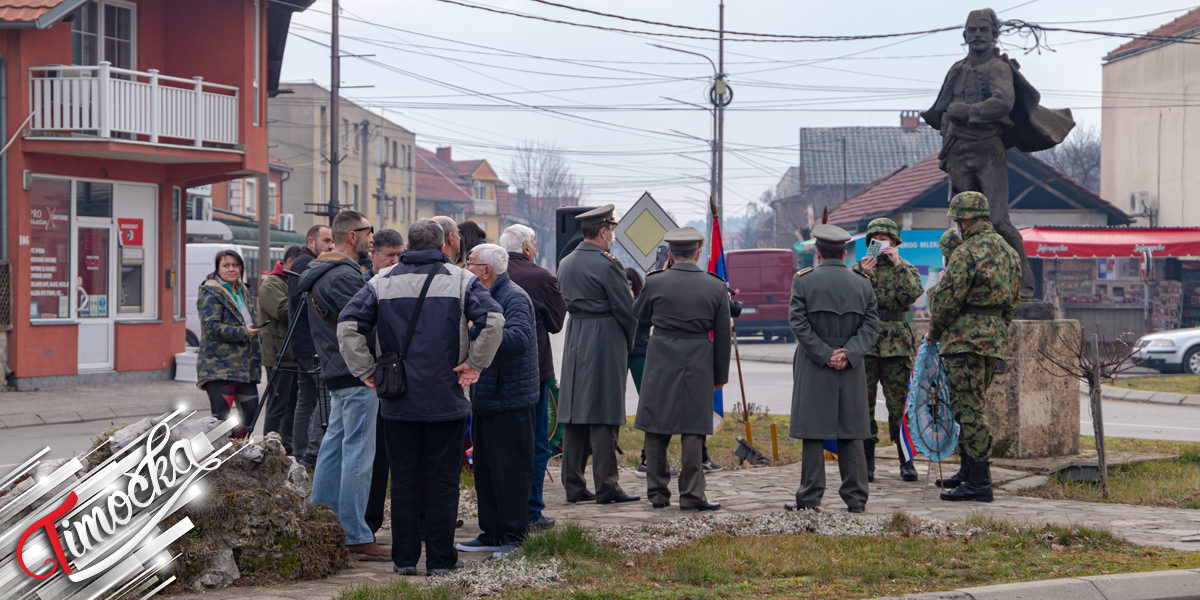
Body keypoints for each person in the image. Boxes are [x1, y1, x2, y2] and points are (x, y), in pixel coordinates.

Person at [339, 219, 504, 576]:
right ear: (444, 245)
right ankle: (442, 560)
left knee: (403, 481)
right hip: (446, 399)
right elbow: (493, 319)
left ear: (409, 246)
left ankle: (404, 559)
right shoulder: (461, 280)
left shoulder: (380, 282)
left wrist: (365, 370)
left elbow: (348, 324)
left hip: (398, 400)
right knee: (443, 481)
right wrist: (475, 363)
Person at [922, 8, 1073, 298]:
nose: (977, 35)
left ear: (994, 35)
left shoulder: (997, 68)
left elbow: (1002, 102)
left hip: (987, 149)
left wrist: (967, 111)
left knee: (998, 219)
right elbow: (942, 107)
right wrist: (946, 132)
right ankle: (966, 284)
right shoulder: (956, 69)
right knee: (963, 222)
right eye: (973, 30)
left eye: (983, 30)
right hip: (957, 150)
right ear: (964, 35)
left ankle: (1025, 284)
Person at [297, 210, 387, 560]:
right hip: (357, 372)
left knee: (334, 448)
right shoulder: (344, 276)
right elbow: (368, 325)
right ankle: (353, 532)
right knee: (358, 454)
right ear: (353, 236)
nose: (371, 240)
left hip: (337, 370)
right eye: (369, 233)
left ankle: (322, 521)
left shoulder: (321, 272)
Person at [927, 191, 1020, 502]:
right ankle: (968, 470)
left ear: (965, 219)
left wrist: (934, 330)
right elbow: (1012, 303)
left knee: (968, 410)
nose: (957, 226)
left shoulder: (966, 253)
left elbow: (947, 301)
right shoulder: (1009, 252)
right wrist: (995, 329)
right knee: (971, 405)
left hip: (964, 340)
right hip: (992, 339)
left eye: (957, 220)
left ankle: (980, 482)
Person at [633, 228, 731, 512]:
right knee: (693, 427)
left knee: (656, 425)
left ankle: (657, 494)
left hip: (661, 355)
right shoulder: (715, 286)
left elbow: (639, 313)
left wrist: (660, 276)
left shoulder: (655, 282)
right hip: (699, 358)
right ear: (698, 252)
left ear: (672, 255)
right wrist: (719, 377)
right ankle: (691, 495)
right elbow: (723, 336)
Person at [785, 224, 879, 514]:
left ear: (818, 251)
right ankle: (856, 498)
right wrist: (848, 353)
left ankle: (810, 497)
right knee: (851, 431)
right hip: (850, 366)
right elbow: (871, 325)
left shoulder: (803, 281)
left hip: (815, 365)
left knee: (813, 432)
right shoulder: (862, 283)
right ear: (843, 251)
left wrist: (825, 355)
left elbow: (798, 323)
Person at [457, 243, 538, 557]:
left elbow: (519, 339)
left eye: (471, 263)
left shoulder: (514, 297)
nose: (467, 268)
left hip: (512, 399)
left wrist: (479, 329)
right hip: (486, 397)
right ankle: (490, 533)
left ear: (486, 271)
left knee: (512, 471)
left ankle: (514, 536)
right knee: (487, 469)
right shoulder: (485, 298)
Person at [557, 205, 639, 505]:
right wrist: (627, 344)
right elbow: (627, 312)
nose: (612, 237)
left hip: (575, 337)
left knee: (574, 414)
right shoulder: (609, 265)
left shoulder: (566, 262)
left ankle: (573, 485)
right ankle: (607, 486)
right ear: (603, 231)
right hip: (604, 338)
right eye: (611, 231)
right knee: (604, 413)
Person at [499, 224, 566, 532]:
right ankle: (531, 510)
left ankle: (501, 508)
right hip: (534, 371)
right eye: (534, 245)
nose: (536, 250)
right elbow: (555, 323)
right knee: (537, 442)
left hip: (488, 372)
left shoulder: (484, 275)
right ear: (526, 248)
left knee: (498, 445)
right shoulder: (541, 277)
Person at [852, 218, 923, 483]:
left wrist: (898, 263)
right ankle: (867, 462)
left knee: (899, 407)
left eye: (887, 240)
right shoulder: (858, 270)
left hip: (896, 345)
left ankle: (906, 460)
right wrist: (864, 275)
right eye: (876, 240)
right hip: (866, 343)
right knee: (864, 406)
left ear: (895, 243)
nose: (881, 245)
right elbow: (850, 299)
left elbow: (914, 293)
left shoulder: (905, 268)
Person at [363, 228, 404, 536]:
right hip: (373, 381)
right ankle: (369, 520)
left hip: (400, 381)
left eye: (399, 255)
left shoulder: (405, 285)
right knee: (374, 459)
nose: (394, 261)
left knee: (397, 456)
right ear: (373, 256)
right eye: (388, 255)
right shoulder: (366, 287)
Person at [196, 249, 263, 439]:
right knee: (221, 420)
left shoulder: (244, 291)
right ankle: (221, 457)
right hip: (219, 367)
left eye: (235, 265)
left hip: (245, 367)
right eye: (226, 265)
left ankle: (235, 448)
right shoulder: (210, 292)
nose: (231, 269)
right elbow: (211, 327)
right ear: (217, 269)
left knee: (250, 412)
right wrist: (243, 332)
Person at [289, 223, 335, 467]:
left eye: (332, 241)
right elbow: (304, 302)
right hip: (311, 343)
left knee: (306, 398)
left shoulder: (303, 264)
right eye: (326, 241)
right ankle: (312, 453)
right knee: (323, 397)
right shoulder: (305, 265)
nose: (331, 245)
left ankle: (300, 451)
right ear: (311, 242)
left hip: (304, 343)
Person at [259, 245, 304, 453]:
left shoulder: (292, 282)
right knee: (278, 405)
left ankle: (288, 447)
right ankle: (269, 447)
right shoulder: (271, 285)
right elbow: (283, 310)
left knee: (293, 406)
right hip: (278, 354)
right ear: (288, 263)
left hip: (294, 354)